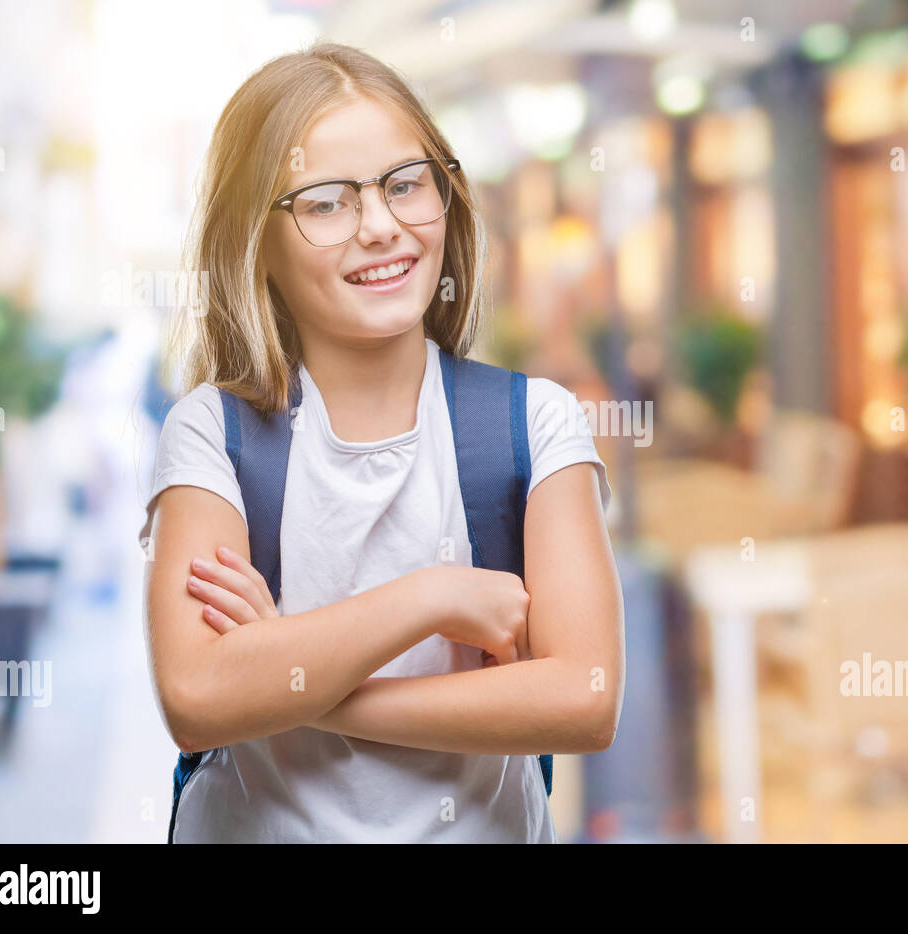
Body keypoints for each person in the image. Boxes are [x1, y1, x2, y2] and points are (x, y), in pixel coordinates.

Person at [140, 42, 624, 843]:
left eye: (404, 185)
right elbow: (197, 700)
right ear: (257, 242)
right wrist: (433, 597)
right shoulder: (212, 435)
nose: (380, 226)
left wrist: (297, 686)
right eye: (326, 203)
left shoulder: (536, 423)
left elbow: (586, 697)